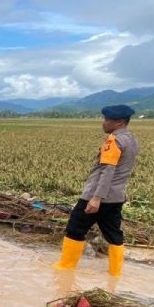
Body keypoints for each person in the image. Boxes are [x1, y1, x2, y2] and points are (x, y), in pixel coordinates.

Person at [54, 104, 139, 277]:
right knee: (113, 233)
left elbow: (108, 170)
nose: (103, 123)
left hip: (98, 196)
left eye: (107, 120)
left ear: (119, 122)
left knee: (75, 227)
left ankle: (65, 269)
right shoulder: (131, 139)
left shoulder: (114, 141)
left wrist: (96, 198)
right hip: (116, 197)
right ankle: (115, 273)